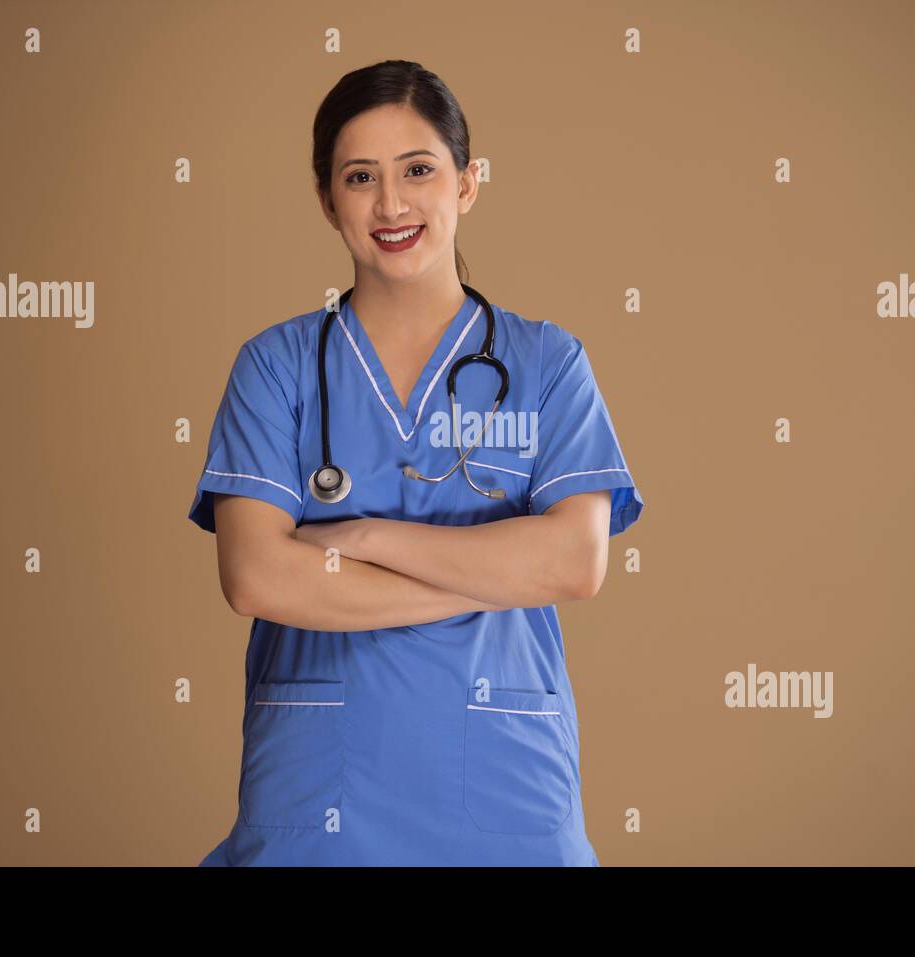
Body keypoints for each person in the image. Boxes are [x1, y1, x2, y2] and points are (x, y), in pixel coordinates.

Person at [188, 59, 644, 866]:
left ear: (468, 183)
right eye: (359, 177)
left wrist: (362, 539)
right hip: (317, 791)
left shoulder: (547, 364)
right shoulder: (275, 367)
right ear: (328, 199)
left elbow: (575, 560)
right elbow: (257, 577)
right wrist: (487, 573)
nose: (391, 204)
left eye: (419, 170)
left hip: (505, 786)